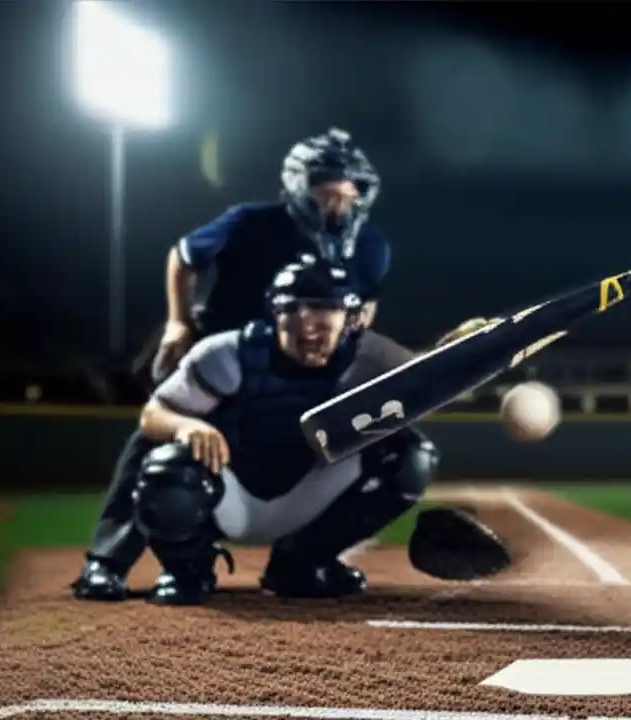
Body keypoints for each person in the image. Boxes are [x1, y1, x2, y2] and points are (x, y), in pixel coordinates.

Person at [72, 127, 413, 601]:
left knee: (379, 449)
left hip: (307, 368)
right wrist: (178, 321)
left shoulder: (371, 245)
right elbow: (184, 256)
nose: (340, 196)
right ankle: (106, 562)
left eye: (350, 186)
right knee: (161, 437)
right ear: (300, 185)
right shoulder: (250, 222)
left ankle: (304, 560)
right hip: (230, 359)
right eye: (327, 184)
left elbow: (365, 309)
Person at [131, 258, 435, 604]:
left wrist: (466, 349)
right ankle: (187, 571)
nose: (308, 325)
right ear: (275, 314)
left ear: (350, 317)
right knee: (168, 468)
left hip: (310, 492)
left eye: (322, 310)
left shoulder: (372, 357)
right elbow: (154, 414)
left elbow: (429, 378)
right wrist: (187, 425)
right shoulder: (228, 354)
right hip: (230, 493)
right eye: (294, 310)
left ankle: (303, 563)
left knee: (409, 454)